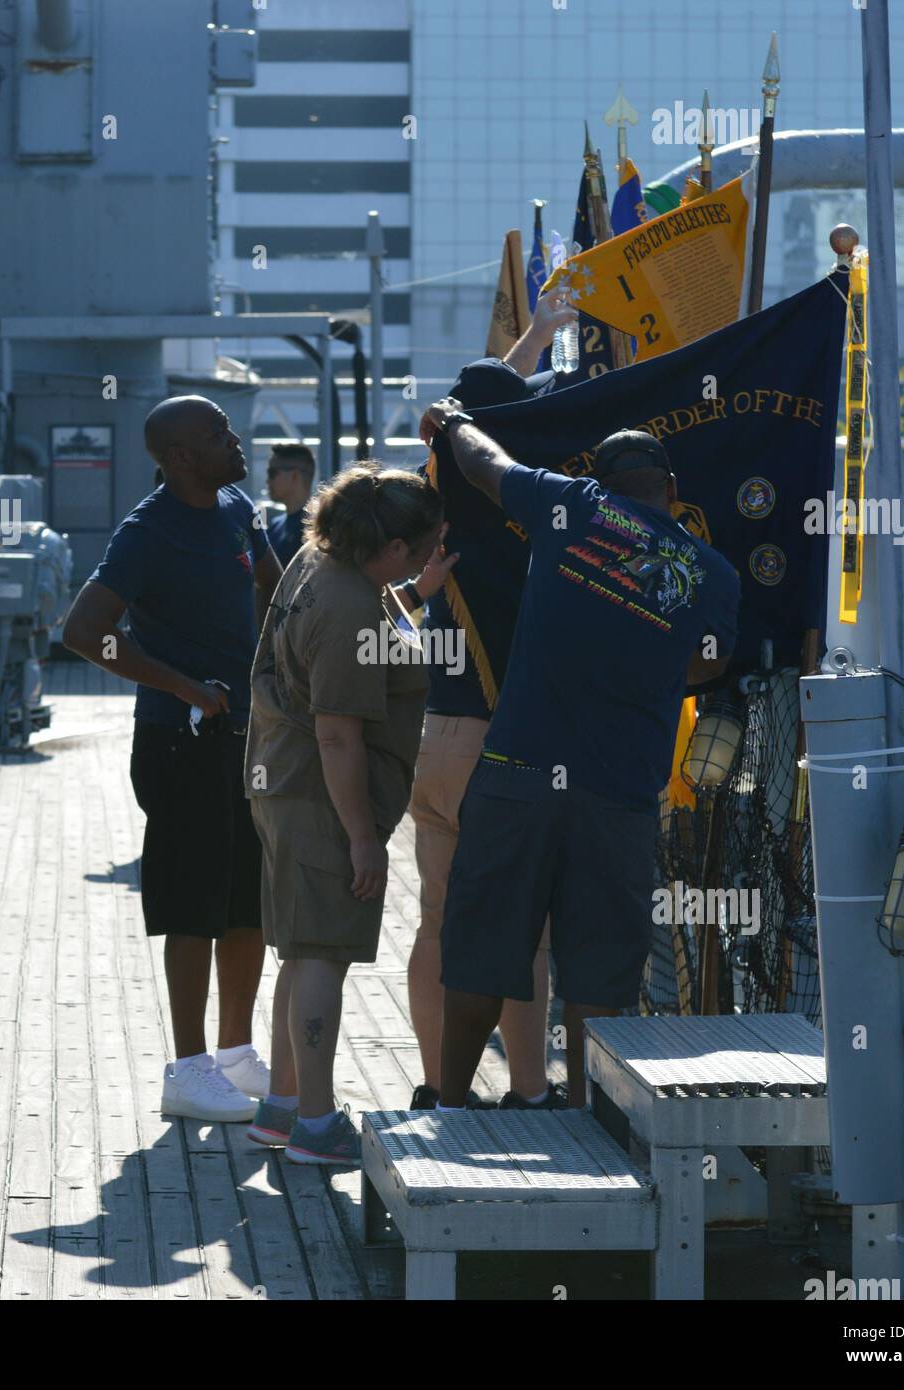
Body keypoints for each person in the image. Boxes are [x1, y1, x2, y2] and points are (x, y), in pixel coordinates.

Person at [420, 406, 741, 1109]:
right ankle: (582, 1115)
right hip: (618, 795)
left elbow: (484, 465)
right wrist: (646, 663)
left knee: (483, 947)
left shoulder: (569, 504)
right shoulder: (712, 573)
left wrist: (453, 422)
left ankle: (450, 1100)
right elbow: (708, 665)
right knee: (597, 966)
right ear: (670, 488)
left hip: (515, 778)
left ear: (600, 479)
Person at [62, 395, 283, 1124]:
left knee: (247, 901)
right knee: (193, 906)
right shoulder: (146, 533)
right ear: (181, 457)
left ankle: (233, 1054)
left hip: (248, 735)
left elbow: (277, 589)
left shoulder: (238, 507)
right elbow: (84, 631)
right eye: (218, 433)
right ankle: (187, 1070)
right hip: (179, 739)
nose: (235, 438)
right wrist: (184, 685)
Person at [407, 290, 583, 1111]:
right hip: (505, 746)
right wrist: (535, 344)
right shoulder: (539, 517)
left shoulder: (429, 509)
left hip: (436, 741)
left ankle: (438, 1085)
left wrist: (534, 337)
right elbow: (491, 415)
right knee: (523, 930)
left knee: (436, 924)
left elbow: (470, 408)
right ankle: (527, 1090)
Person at [244, 464, 445, 1164]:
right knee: (323, 954)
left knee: (302, 950)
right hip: (320, 797)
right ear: (392, 547)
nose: (429, 556)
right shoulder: (349, 607)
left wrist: (415, 594)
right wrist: (363, 838)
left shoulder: (317, 560)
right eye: (424, 548)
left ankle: (282, 1107)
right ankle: (317, 1124)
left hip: (283, 781)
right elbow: (336, 733)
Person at [265, 443, 316, 566]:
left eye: (272, 473)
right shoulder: (275, 526)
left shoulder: (317, 528)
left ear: (294, 475)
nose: (267, 481)